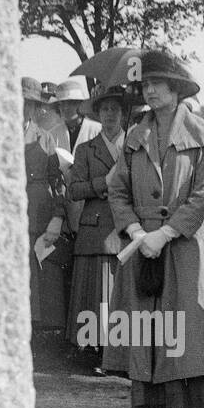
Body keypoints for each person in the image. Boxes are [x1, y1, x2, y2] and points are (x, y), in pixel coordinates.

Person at [107, 50, 204, 408]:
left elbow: (203, 196)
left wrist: (165, 233)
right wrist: (135, 231)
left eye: (157, 82)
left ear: (177, 87)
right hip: (143, 249)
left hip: (185, 249)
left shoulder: (201, 134)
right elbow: (118, 190)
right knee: (150, 340)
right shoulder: (134, 137)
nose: (149, 89)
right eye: (145, 83)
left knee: (189, 342)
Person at [67, 83, 130, 369]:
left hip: (126, 226)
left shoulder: (134, 146)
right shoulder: (85, 149)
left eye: (114, 110)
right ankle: (95, 350)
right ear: (97, 114)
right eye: (104, 110)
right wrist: (102, 184)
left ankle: (123, 353)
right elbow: (75, 190)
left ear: (123, 114)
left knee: (122, 290)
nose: (109, 115)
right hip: (95, 228)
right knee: (97, 291)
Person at [23, 78, 71, 348]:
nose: (23, 109)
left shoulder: (45, 138)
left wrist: (57, 217)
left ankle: (36, 339)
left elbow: (58, 182)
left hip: (38, 213)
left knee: (38, 275)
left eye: (30, 104)